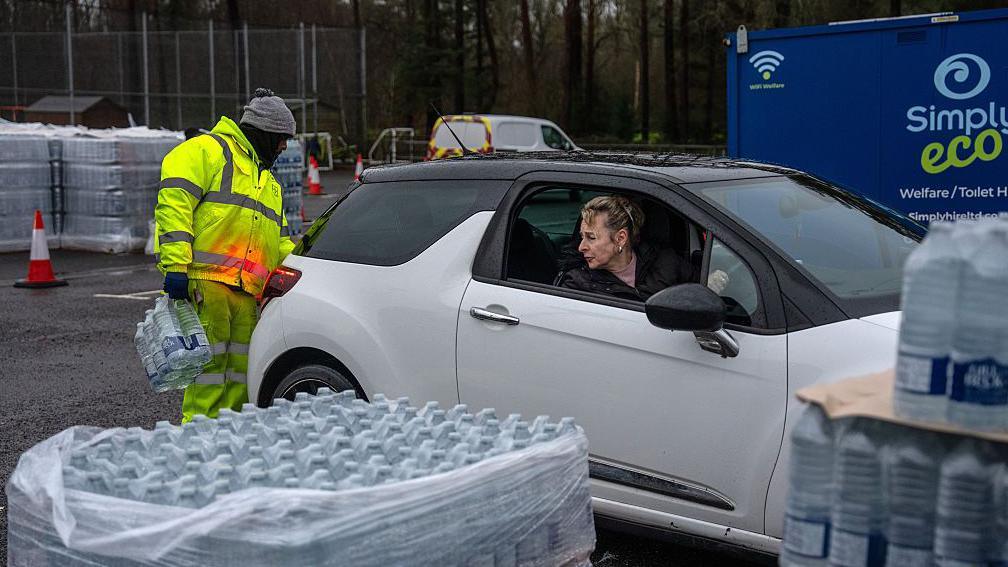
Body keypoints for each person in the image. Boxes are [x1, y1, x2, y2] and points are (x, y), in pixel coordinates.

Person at [154, 88, 296, 423]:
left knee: (239, 377)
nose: (284, 147)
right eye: (282, 138)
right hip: (208, 284)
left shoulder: (268, 183)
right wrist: (176, 265)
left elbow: (279, 242)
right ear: (264, 133)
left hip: (247, 294)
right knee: (208, 375)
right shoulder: (207, 151)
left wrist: (307, 268)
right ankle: (197, 439)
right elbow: (175, 204)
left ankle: (229, 438)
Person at [555, 195, 728, 301]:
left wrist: (713, 282)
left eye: (591, 237)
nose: (581, 247)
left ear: (620, 238)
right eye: (582, 237)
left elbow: (702, 284)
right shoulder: (576, 284)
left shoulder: (664, 261)